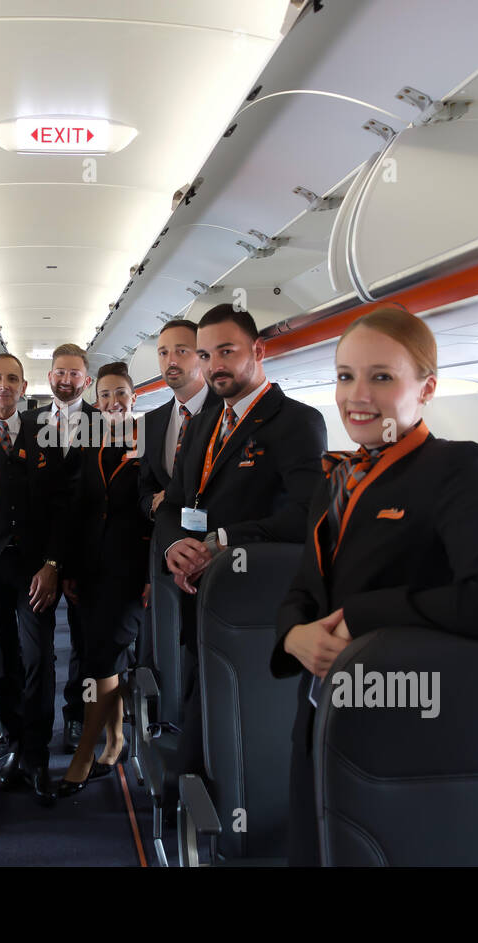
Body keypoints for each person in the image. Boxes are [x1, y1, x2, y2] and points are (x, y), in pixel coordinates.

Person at [270, 305, 478, 866]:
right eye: (346, 376)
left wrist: (365, 619)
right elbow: (305, 587)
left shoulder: (454, 469)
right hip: (320, 718)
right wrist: (292, 636)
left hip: (405, 726)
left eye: (382, 377)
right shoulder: (338, 476)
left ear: (426, 388)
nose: (356, 395)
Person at [155, 303, 328, 776]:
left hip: (256, 602)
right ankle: (192, 804)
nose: (215, 367)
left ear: (258, 350)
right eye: (206, 356)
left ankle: (211, 812)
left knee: (240, 718)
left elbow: (307, 515)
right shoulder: (205, 422)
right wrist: (176, 545)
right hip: (197, 594)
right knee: (200, 703)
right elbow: (172, 503)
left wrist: (224, 540)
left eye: (226, 352)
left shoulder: (296, 421)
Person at [0, 353, 70, 806]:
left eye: (13, 378)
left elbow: (61, 505)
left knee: (39, 658)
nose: (5, 385)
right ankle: (14, 741)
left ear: (24, 383)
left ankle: (35, 756)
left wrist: (53, 563)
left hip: (36, 567)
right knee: (1, 661)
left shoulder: (46, 433)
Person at [59, 363, 152, 795]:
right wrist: (69, 569)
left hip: (131, 572)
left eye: (122, 394)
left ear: (135, 397)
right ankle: (115, 740)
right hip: (92, 571)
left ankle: (86, 749)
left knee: (101, 661)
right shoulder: (89, 444)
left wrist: (155, 573)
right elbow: (76, 511)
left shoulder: (151, 443)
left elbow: (162, 513)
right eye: (107, 395)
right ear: (98, 402)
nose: (114, 402)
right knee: (101, 658)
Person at [35, 343, 100, 754]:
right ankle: (31, 732)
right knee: (36, 650)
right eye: (60, 372)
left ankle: (76, 716)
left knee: (84, 641)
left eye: (75, 373)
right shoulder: (30, 421)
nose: (66, 379)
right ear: (49, 377)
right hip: (38, 553)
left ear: (87, 380)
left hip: (86, 551)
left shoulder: (107, 424)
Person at [137, 318, 220, 521]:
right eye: (163, 353)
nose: (171, 361)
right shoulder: (149, 422)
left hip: (218, 541)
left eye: (181, 351)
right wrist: (154, 507)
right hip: (166, 541)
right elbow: (145, 488)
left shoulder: (228, 411)